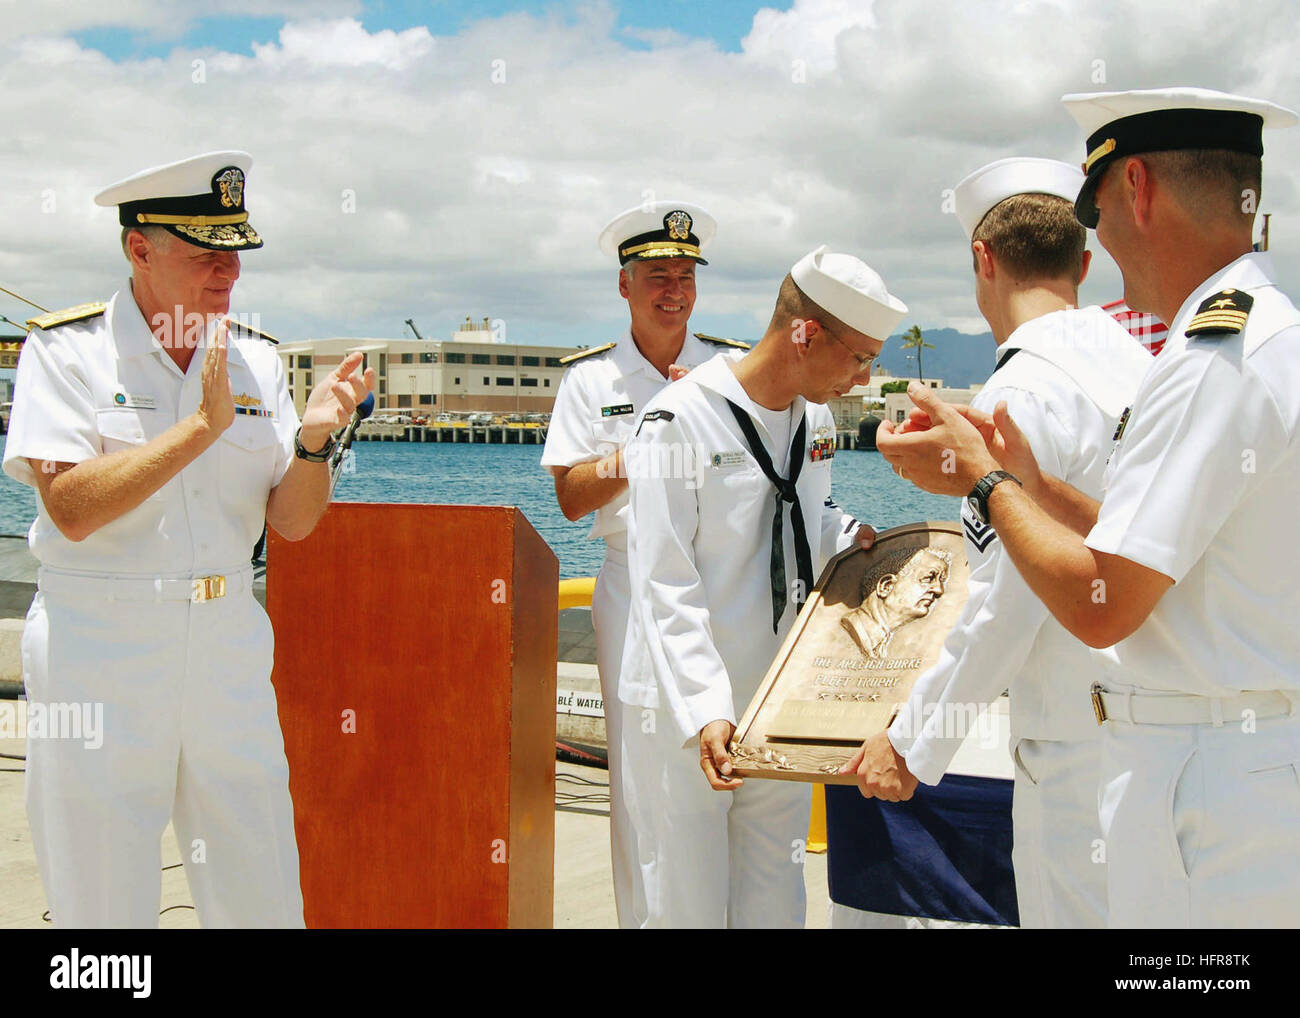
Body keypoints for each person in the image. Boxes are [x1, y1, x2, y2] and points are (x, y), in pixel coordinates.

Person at [874, 88, 1300, 928]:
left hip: (1196, 783)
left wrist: (984, 483)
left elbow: (1099, 601)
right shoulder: (1251, 334)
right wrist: (1025, 479)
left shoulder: (1214, 359)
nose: (1099, 244)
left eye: (1096, 210)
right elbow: (1158, 540)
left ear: (1135, 188)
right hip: (1221, 762)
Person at [5, 151, 375, 928]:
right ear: (139, 247)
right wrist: (200, 429)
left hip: (227, 642)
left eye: (235, 254)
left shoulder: (257, 360)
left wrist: (313, 444)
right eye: (206, 254)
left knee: (261, 879)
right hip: (98, 643)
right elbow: (70, 506)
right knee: (102, 893)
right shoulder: (65, 353)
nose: (228, 274)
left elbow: (293, 522)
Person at [843, 157, 1153, 928]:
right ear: (1085, 260)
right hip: (1158, 731)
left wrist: (912, 745)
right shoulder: (1147, 367)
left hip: (1077, 747)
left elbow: (1003, 608)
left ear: (982, 260)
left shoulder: (1020, 391)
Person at [619, 246, 891, 927]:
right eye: (857, 358)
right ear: (805, 333)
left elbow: (810, 517)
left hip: (779, 696)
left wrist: (860, 540)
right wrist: (708, 708)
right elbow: (663, 574)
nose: (861, 379)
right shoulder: (680, 419)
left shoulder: (814, 419)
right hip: (688, 706)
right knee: (685, 903)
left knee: (775, 894)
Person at [540, 200, 746, 928]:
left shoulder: (730, 370)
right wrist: (640, 451)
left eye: (686, 275)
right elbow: (568, 496)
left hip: (726, 581)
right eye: (657, 274)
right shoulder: (591, 383)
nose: (674, 290)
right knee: (640, 785)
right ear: (624, 286)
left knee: (732, 772)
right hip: (633, 589)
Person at [840, 546, 950, 659]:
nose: (939, 590)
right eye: (929, 578)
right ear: (886, 586)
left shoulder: (882, 643)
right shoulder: (854, 628)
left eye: (941, 581)